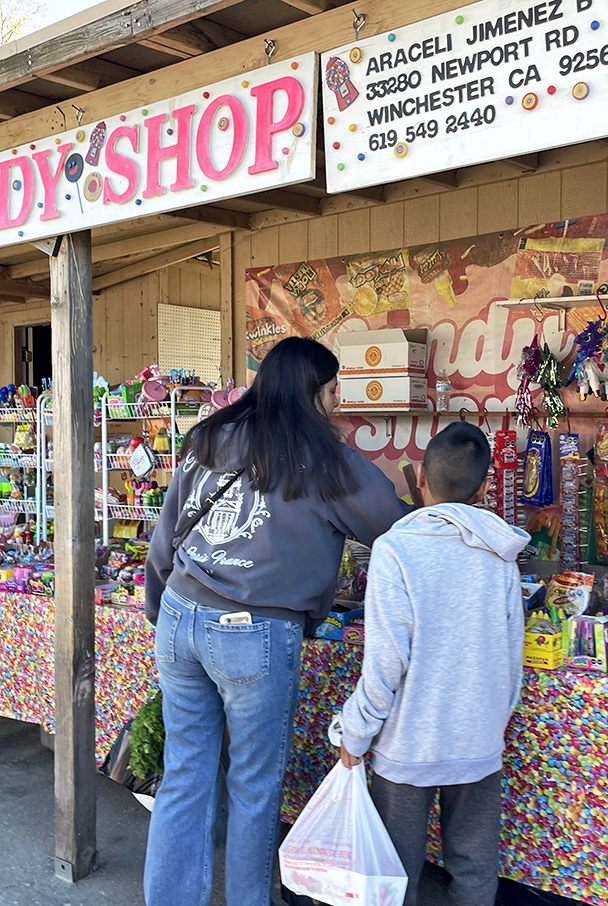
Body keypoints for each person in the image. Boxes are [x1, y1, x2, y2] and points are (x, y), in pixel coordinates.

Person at [143, 337, 410, 906]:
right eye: (335, 389)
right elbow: (396, 530)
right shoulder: (326, 460)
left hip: (180, 616)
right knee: (253, 790)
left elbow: (165, 536)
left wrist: (158, 608)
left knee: (185, 778)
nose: (338, 401)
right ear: (315, 394)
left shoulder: (211, 435)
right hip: (254, 634)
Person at [339, 422, 529, 906]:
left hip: (407, 746)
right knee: (474, 868)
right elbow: (512, 659)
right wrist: (491, 725)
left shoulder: (396, 551)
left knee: (394, 873)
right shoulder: (501, 554)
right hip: (477, 742)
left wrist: (355, 736)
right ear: (485, 486)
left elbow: (385, 663)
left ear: (419, 477)